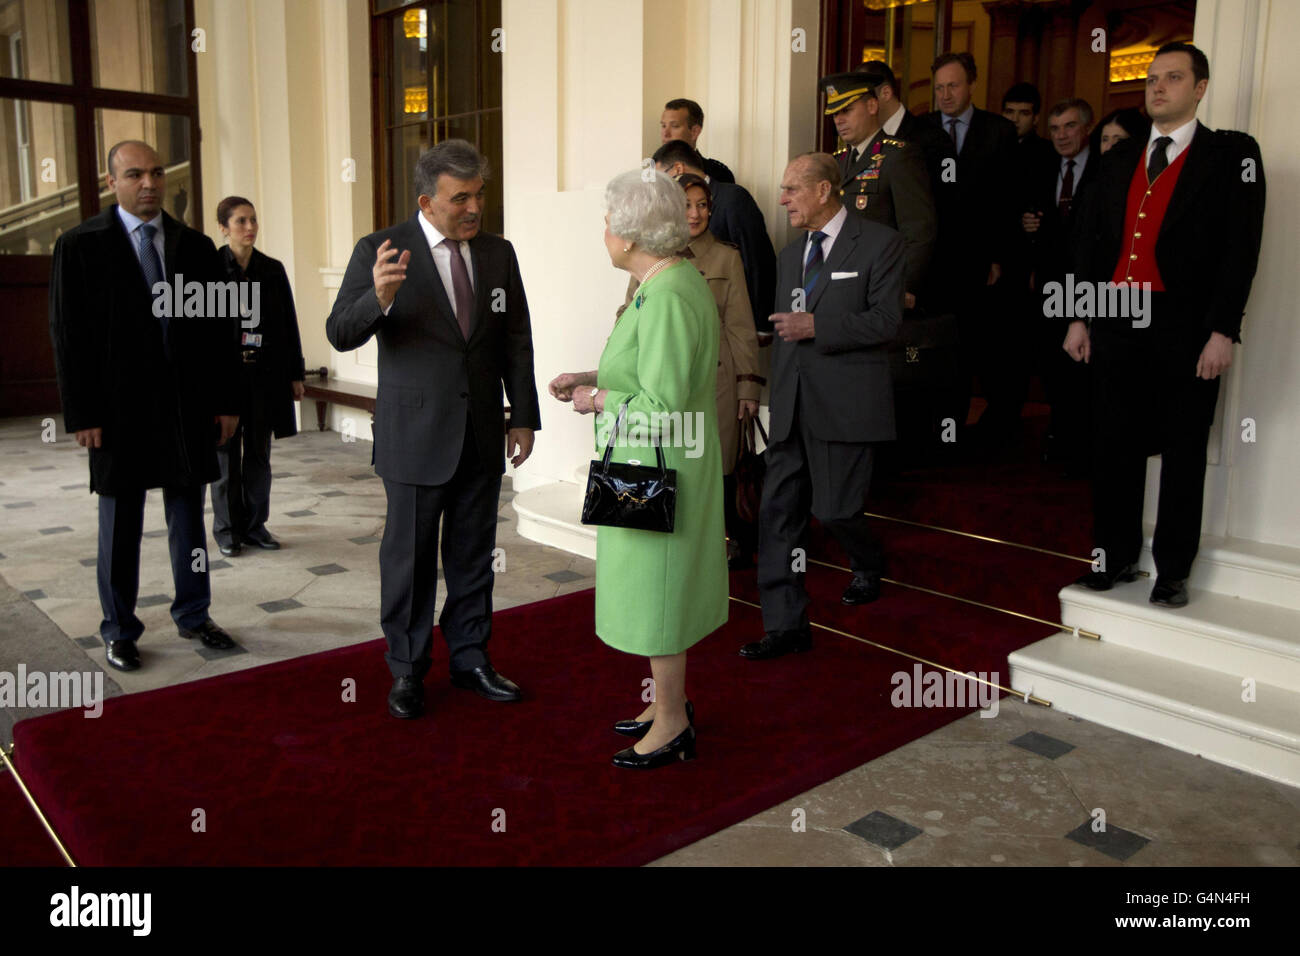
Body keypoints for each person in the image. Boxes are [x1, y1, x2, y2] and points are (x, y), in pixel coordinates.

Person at [326, 140, 541, 718]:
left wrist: (521, 415)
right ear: (427, 200)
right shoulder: (382, 248)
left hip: (479, 433)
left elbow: (515, 337)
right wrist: (379, 296)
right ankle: (408, 668)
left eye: (479, 195)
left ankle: (471, 658)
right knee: (411, 560)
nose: (473, 207)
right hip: (414, 437)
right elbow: (339, 331)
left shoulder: (498, 254)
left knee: (474, 555)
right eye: (460, 198)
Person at [1066, 42, 1266, 608]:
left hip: (1188, 328)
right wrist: (1079, 315)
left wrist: (1223, 330)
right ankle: (1114, 557)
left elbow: (1240, 250)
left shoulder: (1231, 156)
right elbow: (1087, 243)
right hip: (1115, 321)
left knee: (1182, 449)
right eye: (1152, 78)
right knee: (1112, 446)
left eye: (1172, 78)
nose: (1157, 87)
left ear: (1199, 88)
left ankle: (1173, 570)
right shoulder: (1117, 159)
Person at [549, 169, 729, 769]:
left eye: (607, 223)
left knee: (659, 595)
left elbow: (662, 407)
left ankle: (673, 722)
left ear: (629, 234)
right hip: (644, 465)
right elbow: (647, 375)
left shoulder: (671, 293)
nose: (603, 233)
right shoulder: (660, 283)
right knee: (655, 590)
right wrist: (591, 377)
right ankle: (664, 702)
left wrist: (596, 402)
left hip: (659, 467)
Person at [48, 139, 240, 672]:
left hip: (187, 409)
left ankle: (195, 615)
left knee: (188, 519)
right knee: (120, 523)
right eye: (135, 174)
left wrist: (226, 402)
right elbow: (68, 336)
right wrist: (81, 412)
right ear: (113, 182)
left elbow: (219, 330)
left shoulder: (196, 247)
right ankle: (120, 629)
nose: (149, 183)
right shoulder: (80, 245)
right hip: (117, 413)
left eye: (156, 172)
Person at [742, 153, 904, 661]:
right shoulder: (791, 257)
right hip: (791, 406)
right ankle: (786, 624)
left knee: (835, 510)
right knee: (777, 517)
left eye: (792, 189)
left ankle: (868, 561)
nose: (783, 198)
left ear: (826, 190)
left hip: (846, 406)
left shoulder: (881, 243)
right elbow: (790, 332)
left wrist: (817, 328)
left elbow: (886, 323)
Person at [620, 172, 762, 570]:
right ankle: (669, 546)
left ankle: (728, 542)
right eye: (686, 205)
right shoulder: (649, 256)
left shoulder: (726, 257)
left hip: (713, 383)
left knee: (716, 467)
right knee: (667, 462)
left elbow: (739, 325)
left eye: (702, 205)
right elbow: (628, 314)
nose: (695, 214)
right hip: (659, 379)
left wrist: (748, 385)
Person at [925, 52, 1019, 444]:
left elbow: (1007, 200)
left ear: (972, 85)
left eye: (954, 85)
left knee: (981, 348)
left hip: (980, 262)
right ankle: (938, 432)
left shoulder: (999, 131)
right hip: (932, 262)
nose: (946, 94)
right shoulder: (923, 129)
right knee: (936, 351)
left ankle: (984, 432)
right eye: (940, 87)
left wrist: (998, 256)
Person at [210, 197, 307, 556]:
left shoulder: (272, 269)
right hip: (225, 377)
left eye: (253, 220)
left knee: (258, 455)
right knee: (224, 457)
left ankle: (255, 526)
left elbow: (288, 324)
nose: (249, 227)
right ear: (223, 227)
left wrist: (295, 373)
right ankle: (226, 530)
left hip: (264, 376)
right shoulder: (210, 269)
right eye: (240, 221)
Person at [1020, 99, 1098, 473]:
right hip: (1050, 282)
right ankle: (1059, 433)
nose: (1061, 136)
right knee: (1051, 361)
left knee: (1083, 363)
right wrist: (1028, 229)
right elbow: (1032, 215)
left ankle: (1083, 440)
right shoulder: (1041, 165)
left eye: (1069, 127)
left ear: (1086, 128)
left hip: (1091, 283)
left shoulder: (1105, 166)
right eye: (1054, 129)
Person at [820, 68, 935, 309]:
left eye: (847, 111)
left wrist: (903, 287)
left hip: (881, 286)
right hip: (843, 287)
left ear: (872, 106)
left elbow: (919, 231)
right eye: (834, 114)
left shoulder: (899, 156)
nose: (838, 120)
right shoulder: (837, 161)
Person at [652, 139, 776, 333]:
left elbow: (757, 260)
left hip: (732, 323)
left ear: (677, 168)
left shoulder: (733, 198)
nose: (695, 213)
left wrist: (762, 324)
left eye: (662, 178)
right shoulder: (669, 209)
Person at [660, 97, 735, 184]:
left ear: (694, 132)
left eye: (675, 126)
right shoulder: (652, 171)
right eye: (663, 126)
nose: (665, 134)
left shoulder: (718, 173)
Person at [1002, 81, 1056, 174]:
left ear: (1035, 118)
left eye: (1024, 113)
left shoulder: (1048, 153)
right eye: (1009, 112)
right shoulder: (989, 148)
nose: (1015, 119)